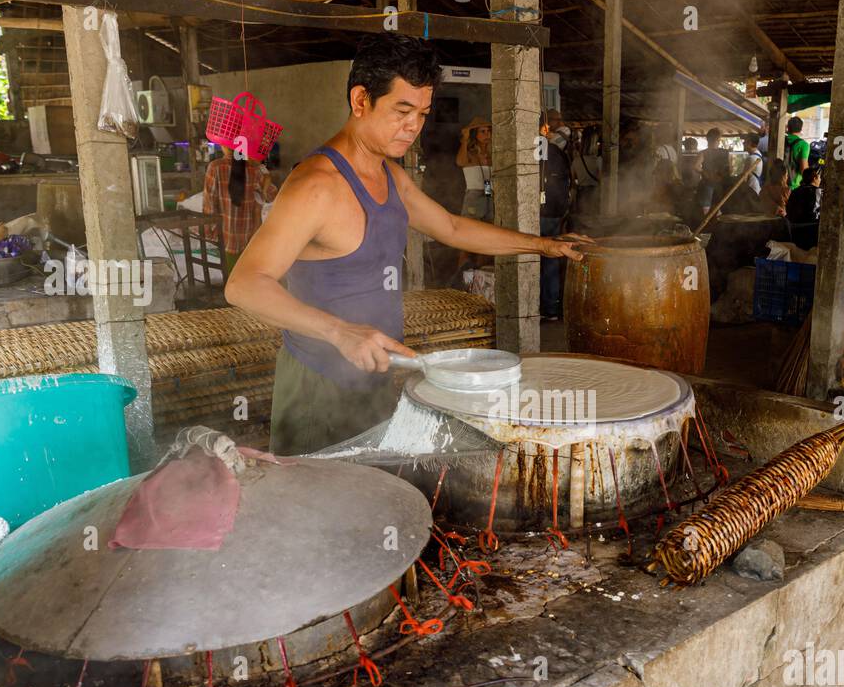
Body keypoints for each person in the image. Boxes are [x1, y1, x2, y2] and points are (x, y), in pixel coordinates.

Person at [226, 34, 590, 455]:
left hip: (378, 370)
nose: (414, 126)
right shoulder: (316, 186)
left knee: (374, 497)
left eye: (422, 113)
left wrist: (544, 245)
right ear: (361, 100)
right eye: (402, 110)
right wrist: (340, 332)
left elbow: (451, 228)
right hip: (318, 384)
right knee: (318, 510)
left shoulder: (391, 176)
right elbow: (244, 283)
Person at [204, 143, 278, 276]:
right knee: (247, 278)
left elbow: (209, 204)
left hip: (225, 235)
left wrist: (208, 231)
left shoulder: (215, 167)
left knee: (232, 279)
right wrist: (263, 175)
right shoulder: (253, 170)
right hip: (249, 236)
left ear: (224, 145)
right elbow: (273, 195)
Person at [540, 112, 573, 321]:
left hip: (541, 211)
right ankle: (550, 308)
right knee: (551, 258)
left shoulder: (538, 148)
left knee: (534, 257)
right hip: (557, 209)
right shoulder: (556, 149)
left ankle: (538, 307)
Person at [455, 116, 493, 221]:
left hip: (489, 193)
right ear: (475, 134)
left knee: (490, 227)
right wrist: (465, 140)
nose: (487, 134)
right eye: (483, 131)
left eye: (488, 131)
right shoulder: (470, 154)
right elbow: (460, 162)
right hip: (474, 195)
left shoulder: (493, 154)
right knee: (471, 228)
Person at [786, 164, 821, 250]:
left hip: (793, 232)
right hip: (811, 233)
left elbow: (788, 210)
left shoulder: (794, 191)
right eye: (819, 177)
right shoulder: (819, 192)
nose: (820, 179)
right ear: (815, 178)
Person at [570, 126, 602, 216]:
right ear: (594, 143)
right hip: (595, 196)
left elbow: (572, 183)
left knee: (582, 221)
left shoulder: (576, 161)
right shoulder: (598, 160)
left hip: (581, 196)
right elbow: (602, 180)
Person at [700, 128, 731, 210]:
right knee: (719, 207)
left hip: (708, 183)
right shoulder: (725, 152)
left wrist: (705, 173)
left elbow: (695, 166)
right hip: (722, 184)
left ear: (708, 139)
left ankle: (706, 222)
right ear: (718, 139)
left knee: (706, 206)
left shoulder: (703, 153)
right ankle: (717, 221)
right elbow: (729, 169)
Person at [785, 116, 811, 190]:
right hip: (793, 187)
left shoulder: (781, 140)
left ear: (788, 127)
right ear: (801, 129)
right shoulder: (804, 145)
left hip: (778, 184)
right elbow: (804, 169)